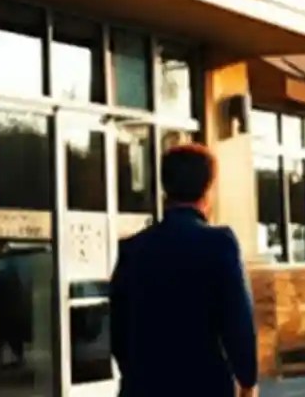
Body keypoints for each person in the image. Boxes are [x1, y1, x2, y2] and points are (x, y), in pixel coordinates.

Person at [110, 143, 259, 397]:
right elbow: (238, 321)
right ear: (208, 190)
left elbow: (118, 329)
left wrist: (137, 372)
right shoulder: (220, 244)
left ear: (165, 189)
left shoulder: (133, 249)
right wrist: (248, 380)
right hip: (204, 385)